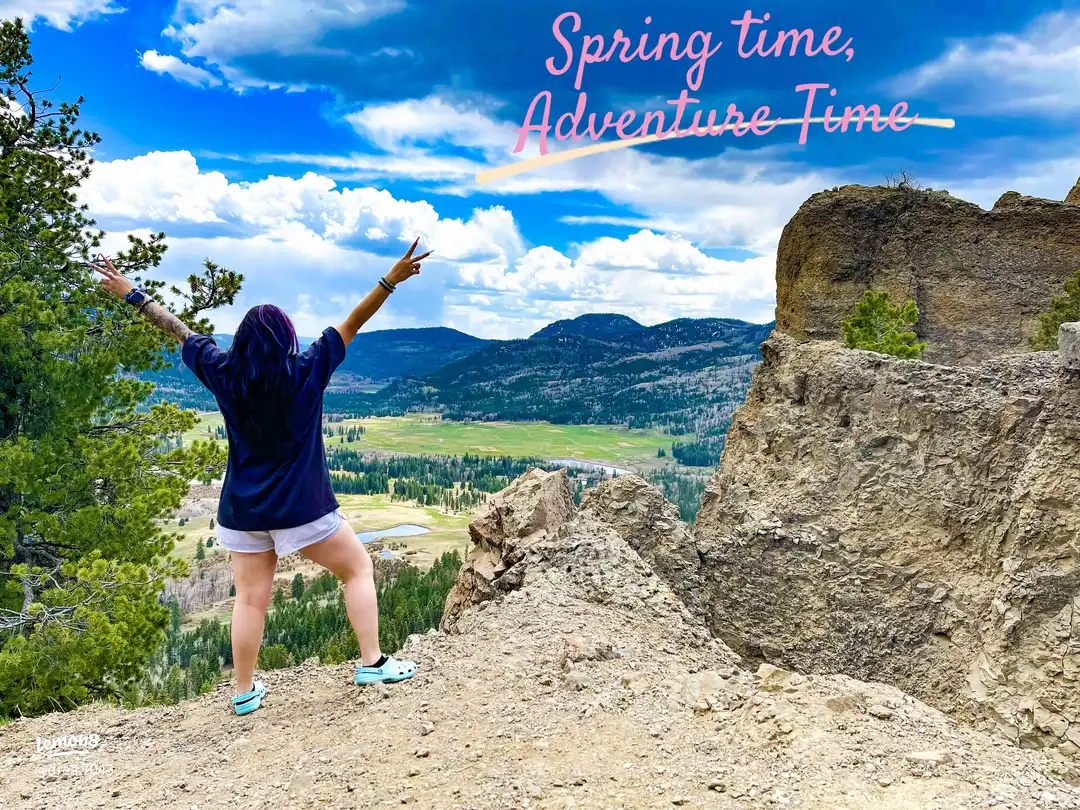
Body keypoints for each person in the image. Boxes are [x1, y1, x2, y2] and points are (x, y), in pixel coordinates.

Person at [93, 239, 432, 716]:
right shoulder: (309, 369)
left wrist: (132, 293)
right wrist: (389, 281)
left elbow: (177, 328)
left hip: (242, 511)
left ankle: (245, 692)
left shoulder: (222, 371)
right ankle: (372, 662)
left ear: (244, 340)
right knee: (357, 569)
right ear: (289, 338)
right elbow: (353, 322)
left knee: (250, 600)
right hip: (303, 508)